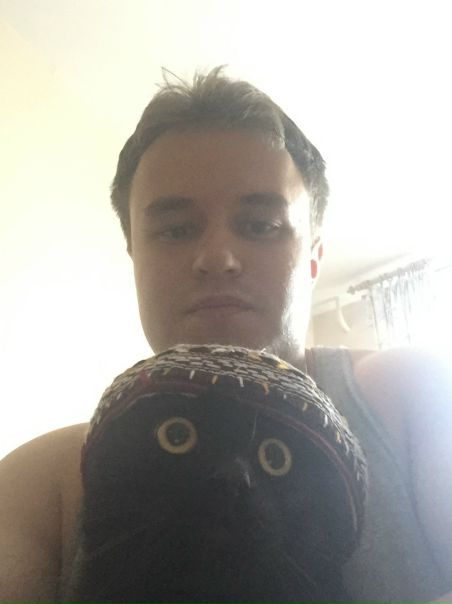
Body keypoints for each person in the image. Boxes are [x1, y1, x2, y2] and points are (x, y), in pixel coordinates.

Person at [0, 65, 451, 604]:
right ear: (135, 256)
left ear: (313, 258)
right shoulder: (41, 482)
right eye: (175, 230)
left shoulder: (416, 398)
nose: (217, 258)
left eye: (260, 226)